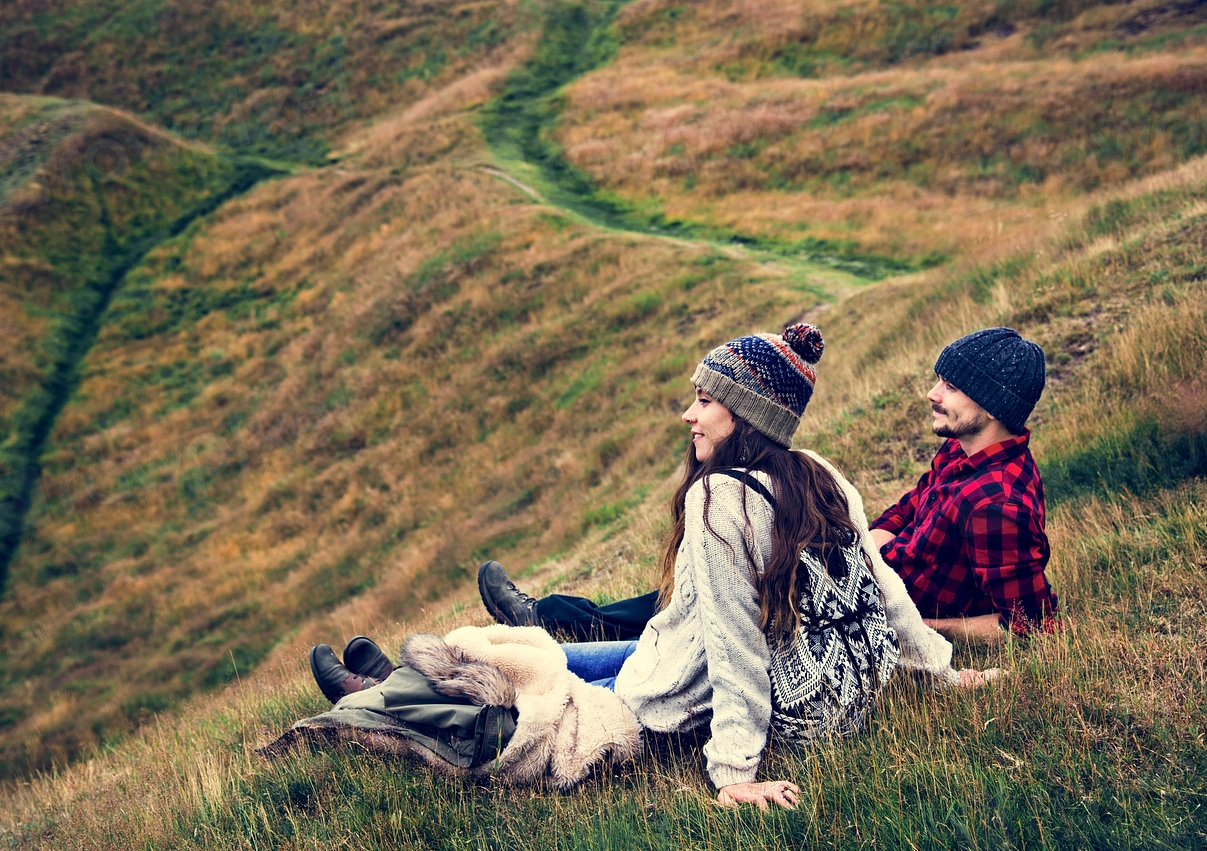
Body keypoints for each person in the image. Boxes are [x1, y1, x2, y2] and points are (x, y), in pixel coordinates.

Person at [311, 324, 965, 810]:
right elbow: (885, 590)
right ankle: (398, 681)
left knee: (532, 697)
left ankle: (375, 700)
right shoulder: (818, 473)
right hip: (704, 665)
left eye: (706, 400)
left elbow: (736, 646)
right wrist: (937, 671)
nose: (689, 413)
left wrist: (734, 774)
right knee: (534, 650)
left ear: (745, 414)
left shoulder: (721, 498)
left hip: (677, 695)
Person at [480, 326, 1057, 644]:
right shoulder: (963, 454)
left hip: (860, 614)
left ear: (991, 404)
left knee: (718, 594)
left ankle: (553, 624)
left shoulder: (998, 502)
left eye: (951, 386)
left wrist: (912, 626)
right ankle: (559, 621)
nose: (933, 392)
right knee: (718, 576)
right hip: (859, 578)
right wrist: (867, 546)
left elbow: (1029, 624)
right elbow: (906, 511)